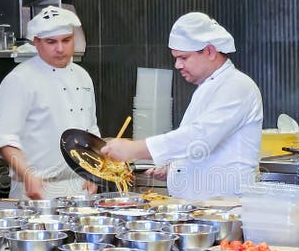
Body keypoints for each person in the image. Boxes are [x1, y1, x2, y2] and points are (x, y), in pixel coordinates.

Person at [102, 12, 263, 199]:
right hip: (202, 207)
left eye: (183, 58)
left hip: (224, 207)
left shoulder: (237, 86)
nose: (177, 65)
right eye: (175, 58)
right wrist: (176, 168)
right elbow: (200, 147)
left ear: (210, 51)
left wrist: (134, 149)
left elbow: (200, 137)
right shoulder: (210, 86)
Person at [0, 6, 100, 199]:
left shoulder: (83, 76)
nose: (60, 48)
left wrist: (93, 170)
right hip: (36, 188)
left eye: (66, 40)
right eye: (51, 42)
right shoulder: (20, 79)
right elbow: (4, 139)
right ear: (37, 42)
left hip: (80, 186)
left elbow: (90, 130)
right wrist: (27, 175)